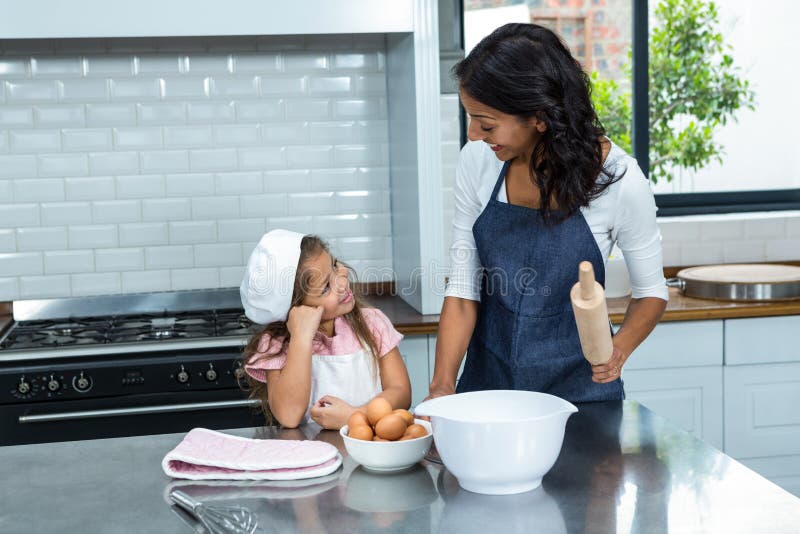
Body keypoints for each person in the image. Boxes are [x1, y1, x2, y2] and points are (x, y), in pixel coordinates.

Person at [428, 23, 668, 403]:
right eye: (470, 118)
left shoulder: (620, 180)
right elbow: (462, 290)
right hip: (487, 391)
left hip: (581, 397)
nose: (473, 134)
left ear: (540, 117)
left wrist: (618, 349)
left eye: (486, 123)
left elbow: (652, 293)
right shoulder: (477, 162)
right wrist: (442, 387)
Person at [240, 229, 411, 429]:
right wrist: (301, 338)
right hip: (311, 454)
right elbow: (289, 416)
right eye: (325, 288)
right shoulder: (278, 345)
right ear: (296, 308)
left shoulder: (372, 323)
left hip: (371, 451)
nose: (342, 281)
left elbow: (401, 392)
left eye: (335, 265)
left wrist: (355, 417)